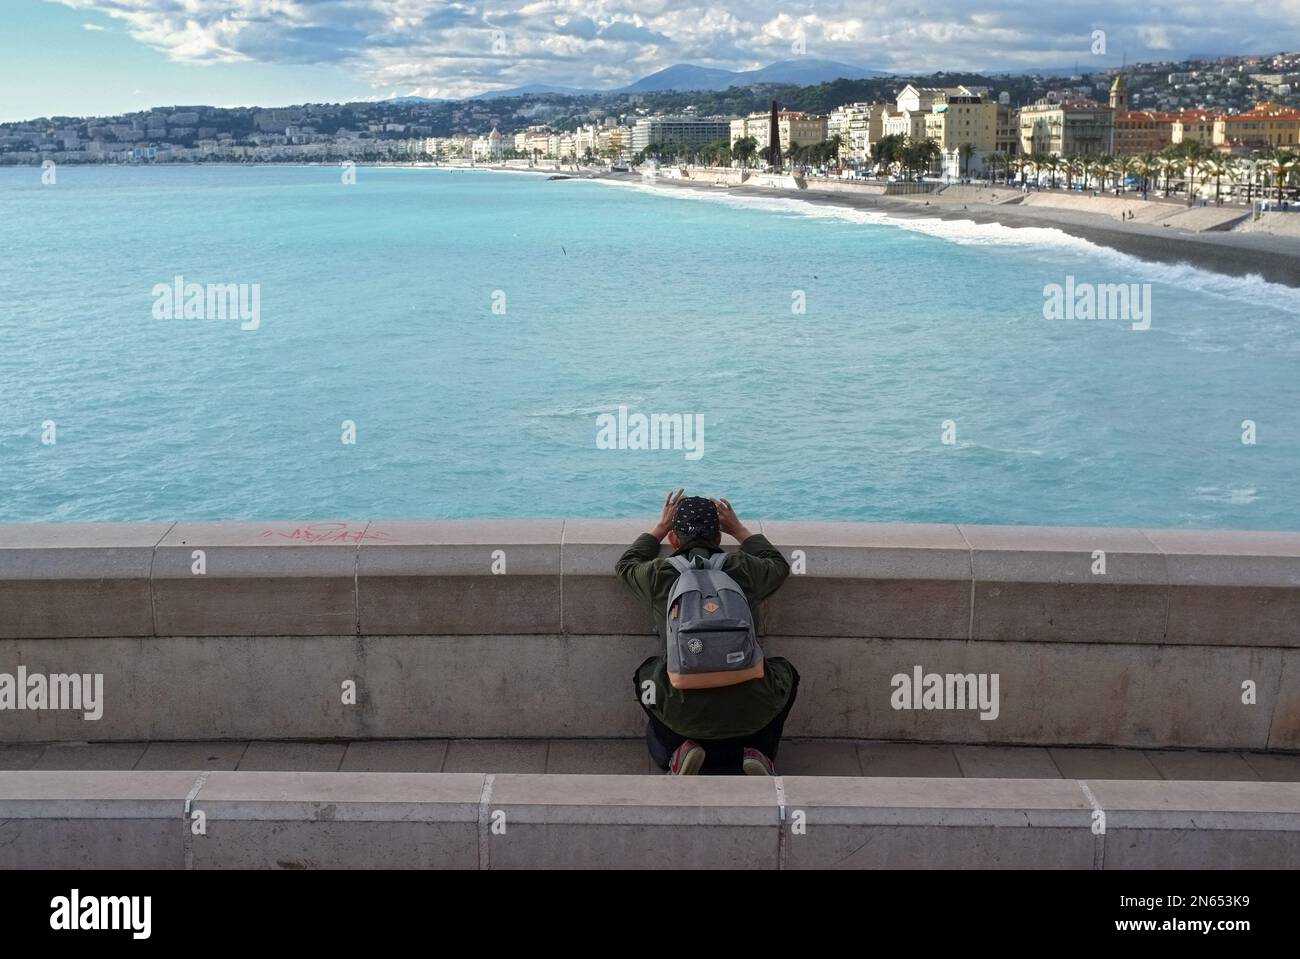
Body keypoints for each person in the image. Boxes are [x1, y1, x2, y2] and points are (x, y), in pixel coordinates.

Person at [616, 490, 799, 776]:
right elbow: (778, 565)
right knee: (787, 672)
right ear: (718, 537)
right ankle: (759, 751)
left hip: (682, 701)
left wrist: (659, 528)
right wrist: (740, 530)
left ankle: (677, 749)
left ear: (674, 539)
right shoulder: (744, 568)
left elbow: (626, 565)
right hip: (751, 699)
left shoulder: (659, 575)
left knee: (646, 677)